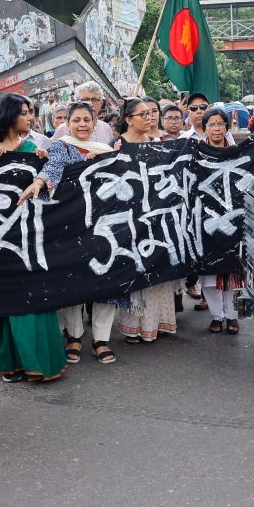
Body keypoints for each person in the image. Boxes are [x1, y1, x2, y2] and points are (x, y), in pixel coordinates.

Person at [16, 102, 125, 365]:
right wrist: (38, 183)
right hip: (71, 226)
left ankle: (101, 339)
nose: (82, 125)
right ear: (67, 124)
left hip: (103, 224)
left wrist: (105, 161)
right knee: (73, 278)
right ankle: (74, 336)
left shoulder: (108, 150)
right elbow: (52, 169)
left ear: (95, 121)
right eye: (76, 120)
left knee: (105, 280)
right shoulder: (61, 146)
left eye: (87, 120)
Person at [0, 94, 65, 382]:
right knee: (8, 299)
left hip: (32, 236)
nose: (30, 117)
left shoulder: (35, 149)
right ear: (9, 115)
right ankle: (11, 363)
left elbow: (57, 173)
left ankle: (39, 363)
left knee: (35, 297)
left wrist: (40, 171)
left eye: (31, 112)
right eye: (24, 112)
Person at [113, 98, 178, 343]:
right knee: (134, 269)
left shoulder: (158, 144)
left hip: (154, 218)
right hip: (127, 219)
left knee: (156, 268)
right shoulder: (117, 145)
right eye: (143, 114)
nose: (150, 117)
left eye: (152, 113)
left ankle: (156, 322)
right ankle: (134, 325)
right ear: (129, 120)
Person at [196, 106, 241, 333]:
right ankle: (216, 316)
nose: (216, 128)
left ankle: (232, 316)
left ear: (226, 127)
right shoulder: (196, 152)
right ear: (204, 128)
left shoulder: (237, 153)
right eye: (211, 124)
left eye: (220, 124)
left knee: (232, 270)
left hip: (232, 218)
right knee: (210, 273)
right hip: (206, 220)